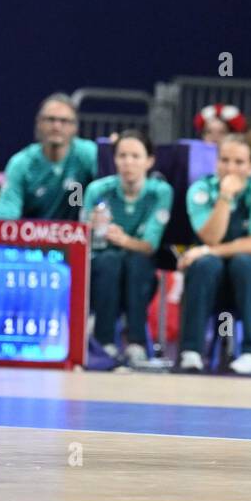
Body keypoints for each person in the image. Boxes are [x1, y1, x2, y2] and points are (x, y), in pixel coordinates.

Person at [178, 135, 251, 375]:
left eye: (239, 162)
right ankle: (191, 352)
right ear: (216, 162)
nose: (231, 168)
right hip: (214, 283)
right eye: (224, 160)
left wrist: (207, 250)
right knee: (205, 265)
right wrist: (224, 197)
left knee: (245, 262)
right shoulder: (201, 190)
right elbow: (211, 237)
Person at [82, 131, 174, 367]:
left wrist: (122, 239)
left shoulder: (160, 192)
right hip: (103, 269)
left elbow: (149, 244)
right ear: (114, 160)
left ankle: (136, 344)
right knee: (109, 261)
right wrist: (93, 229)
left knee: (137, 262)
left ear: (149, 161)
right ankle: (104, 344)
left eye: (136, 156)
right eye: (122, 155)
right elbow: (83, 238)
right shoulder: (97, 190)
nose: (128, 162)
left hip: (139, 268)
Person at [0, 94, 99, 220]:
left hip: (77, 236)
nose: (56, 126)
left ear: (75, 127)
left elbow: (109, 188)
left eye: (64, 121)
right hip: (33, 237)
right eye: (50, 119)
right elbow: (6, 215)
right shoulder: (21, 163)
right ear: (39, 123)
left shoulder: (89, 153)